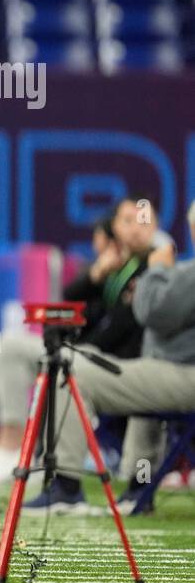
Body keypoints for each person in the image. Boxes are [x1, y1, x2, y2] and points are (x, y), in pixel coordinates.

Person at [0, 199, 153, 490]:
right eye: (127, 221)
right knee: (7, 347)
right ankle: (13, 444)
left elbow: (124, 326)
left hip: (115, 363)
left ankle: (49, 465)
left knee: (54, 360)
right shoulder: (114, 267)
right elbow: (68, 303)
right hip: (90, 352)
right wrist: (95, 275)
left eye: (142, 220)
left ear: (155, 226)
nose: (134, 229)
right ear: (115, 227)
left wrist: (74, 347)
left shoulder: (153, 266)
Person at [26, 197, 195, 513]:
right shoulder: (128, 266)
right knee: (135, 373)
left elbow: (152, 311)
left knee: (68, 367)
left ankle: (66, 486)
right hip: (170, 368)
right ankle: (138, 487)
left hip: (183, 375)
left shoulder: (172, 268)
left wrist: (157, 268)